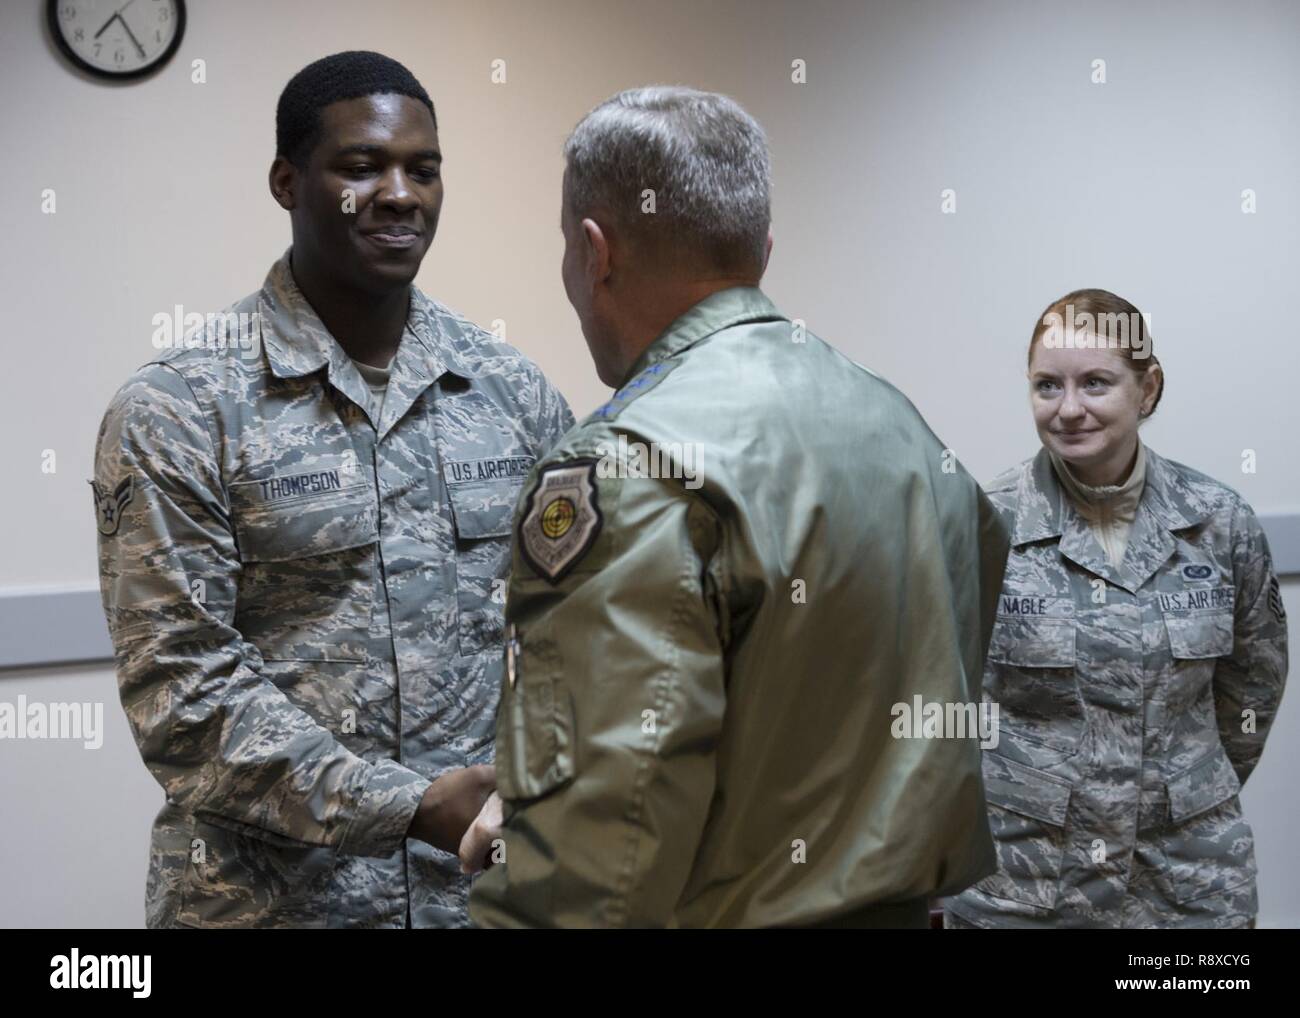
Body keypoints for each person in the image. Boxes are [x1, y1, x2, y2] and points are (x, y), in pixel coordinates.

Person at [461, 86, 1009, 928]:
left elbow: (605, 847)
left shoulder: (628, 462)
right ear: (762, 247)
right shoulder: (901, 430)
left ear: (594, 251)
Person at [91, 51, 573, 928]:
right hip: (272, 908)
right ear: (287, 181)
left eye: (422, 170)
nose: (399, 194)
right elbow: (184, 698)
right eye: (362, 166)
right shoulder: (182, 407)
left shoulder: (515, 393)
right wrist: (410, 805)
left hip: (478, 904)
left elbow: (572, 628)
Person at [946, 289, 1288, 929]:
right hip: (1025, 883)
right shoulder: (984, 522)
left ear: (1147, 389)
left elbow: (1254, 689)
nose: (1068, 409)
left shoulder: (1219, 522)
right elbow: (943, 693)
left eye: (1095, 384)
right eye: (1047, 386)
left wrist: (1177, 790)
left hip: (1187, 883)